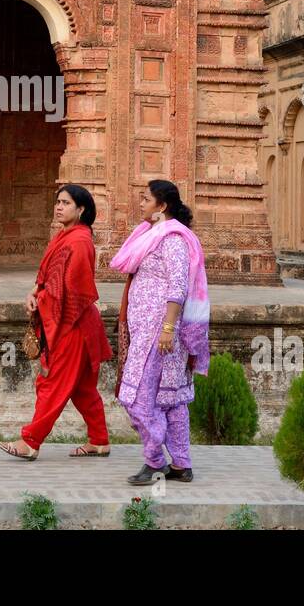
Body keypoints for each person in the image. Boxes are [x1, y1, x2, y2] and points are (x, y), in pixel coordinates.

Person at [0, 184, 113, 460]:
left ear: (81, 209)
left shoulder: (79, 241)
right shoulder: (65, 236)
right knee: (83, 388)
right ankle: (99, 440)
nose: (59, 207)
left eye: (66, 203)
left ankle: (31, 441)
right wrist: (35, 293)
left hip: (73, 324)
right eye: (58, 202)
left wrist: (45, 300)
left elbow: (74, 290)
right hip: (74, 323)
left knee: (52, 385)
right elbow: (50, 278)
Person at [110, 179, 210, 485]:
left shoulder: (173, 240)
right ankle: (181, 464)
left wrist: (167, 328)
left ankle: (155, 460)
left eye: (145, 199)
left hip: (161, 333)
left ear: (161, 206)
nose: (140, 204)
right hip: (148, 330)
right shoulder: (150, 235)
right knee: (170, 399)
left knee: (137, 396)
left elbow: (178, 287)